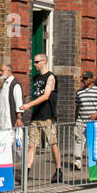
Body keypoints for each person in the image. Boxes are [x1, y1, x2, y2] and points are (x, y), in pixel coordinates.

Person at [25, 53, 63, 182]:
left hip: (48, 116)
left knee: (53, 144)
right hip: (36, 116)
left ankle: (58, 170)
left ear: (44, 61)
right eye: (34, 62)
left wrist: (29, 105)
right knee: (32, 145)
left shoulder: (51, 77)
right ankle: (27, 171)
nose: (35, 64)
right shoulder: (35, 79)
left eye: (37, 62)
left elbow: (46, 96)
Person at [74, 70, 97, 170]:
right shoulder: (79, 92)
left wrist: (96, 114)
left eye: (86, 78)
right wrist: (75, 119)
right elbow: (77, 106)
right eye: (82, 78)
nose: (83, 80)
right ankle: (77, 160)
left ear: (92, 79)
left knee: (94, 141)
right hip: (81, 120)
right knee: (78, 139)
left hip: (94, 122)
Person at [0, 64, 25, 131]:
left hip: (9, 122)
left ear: (8, 71)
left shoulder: (15, 85)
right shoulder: (5, 84)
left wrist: (19, 118)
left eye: (2, 71)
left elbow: (19, 103)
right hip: (1, 122)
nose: (0, 73)